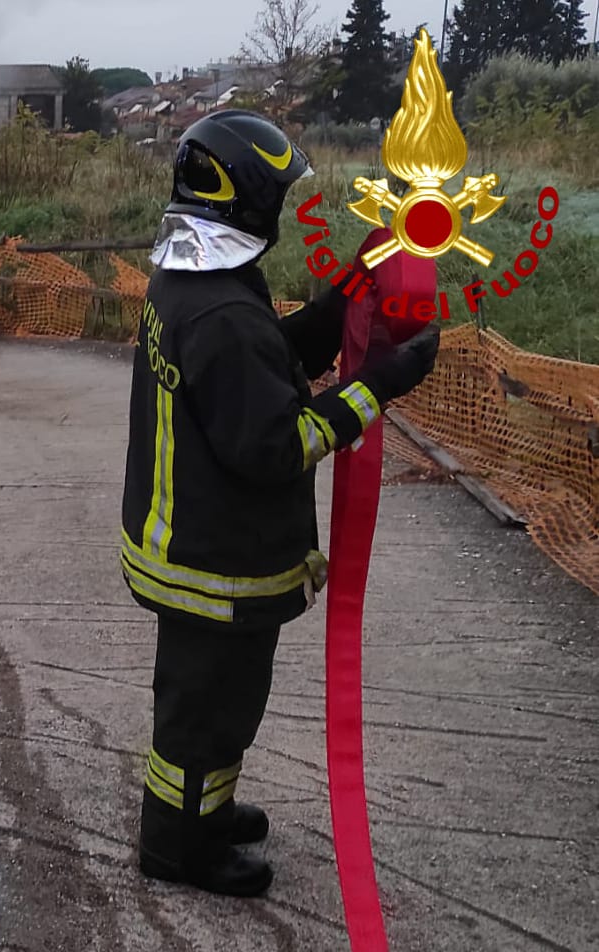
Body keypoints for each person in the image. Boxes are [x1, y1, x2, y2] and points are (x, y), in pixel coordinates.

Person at [120, 109, 440, 898]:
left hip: (192, 545)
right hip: (213, 563)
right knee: (207, 715)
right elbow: (276, 443)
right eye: (279, 198)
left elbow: (267, 361)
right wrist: (379, 388)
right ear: (249, 202)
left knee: (216, 708)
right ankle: (178, 847)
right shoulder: (221, 311)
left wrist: (343, 299)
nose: (286, 213)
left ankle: (203, 812)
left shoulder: (196, 281)